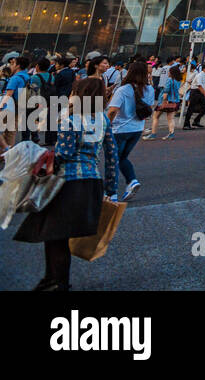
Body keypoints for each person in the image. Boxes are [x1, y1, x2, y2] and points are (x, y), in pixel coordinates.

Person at [12, 76, 118, 291]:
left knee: (55, 236)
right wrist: (111, 188)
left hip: (67, 183)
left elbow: (65, 154)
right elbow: (112, 153)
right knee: (58, 235)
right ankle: (53, 280)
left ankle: (58, 282)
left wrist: (40, 156)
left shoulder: (71, 120)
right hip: (91, 182)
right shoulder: (103, 119)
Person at [105, 60, 154, 202]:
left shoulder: (123, 89)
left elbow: (113, 110)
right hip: (137, 128)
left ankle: (111, 193)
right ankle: (131, 181)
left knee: (112, 160)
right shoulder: (149, 89)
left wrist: (106, 125)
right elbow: (149, 108)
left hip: (119, 129)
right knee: (122, 157)